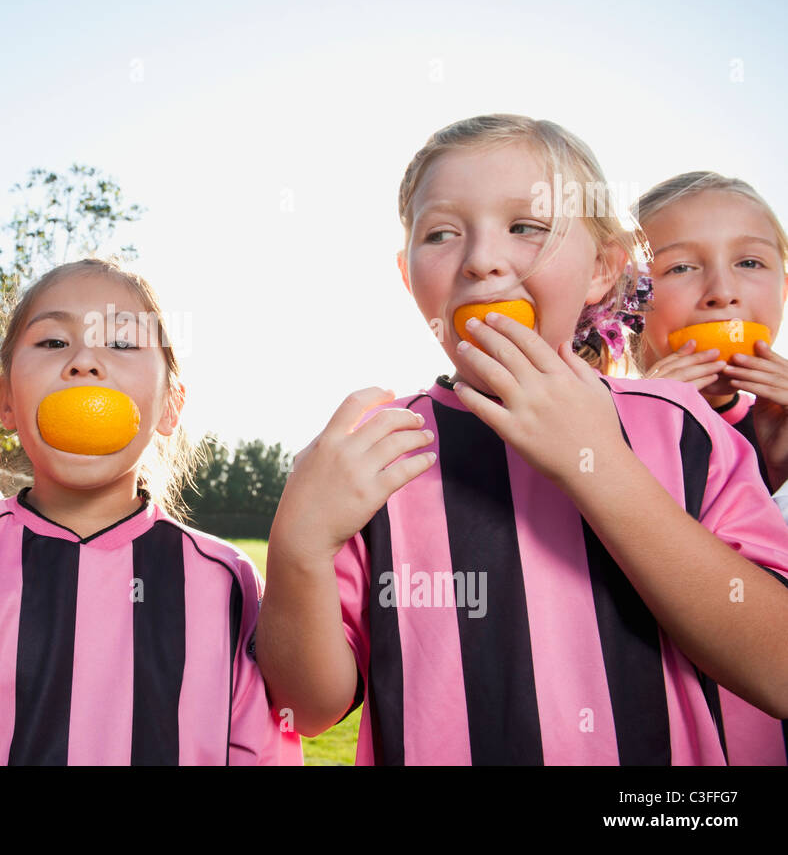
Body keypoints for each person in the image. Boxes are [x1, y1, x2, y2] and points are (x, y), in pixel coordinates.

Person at [257, 114, 788, 764]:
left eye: (527, 227)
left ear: (603, 270)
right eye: (443, 234)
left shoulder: (681, 425)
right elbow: (306, 710)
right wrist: (299, 548)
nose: (482, 261)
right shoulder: (378, 450)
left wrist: (591, 465)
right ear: (407, 276)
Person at [0, 258, 299, 765]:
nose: (84, 362)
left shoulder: (227, 580)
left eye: (122, 343)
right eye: (53, 342)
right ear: (6, 400)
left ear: (170, 406)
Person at [634, 172, 788, 764]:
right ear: (626, 296)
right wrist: (636, 422)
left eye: (751, 262)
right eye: (679, 268)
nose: (722, 292)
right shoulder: (587, 424)